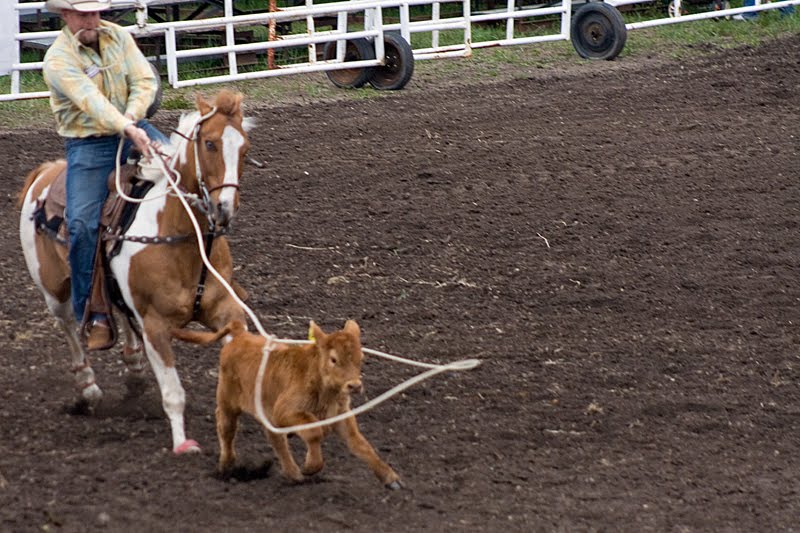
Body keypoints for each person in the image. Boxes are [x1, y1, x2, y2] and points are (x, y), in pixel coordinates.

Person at [43, 0, 168, 350]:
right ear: (65, 16)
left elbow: (143, 80)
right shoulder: (58, 59)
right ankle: (92, 313)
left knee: (185, 176)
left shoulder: (118, 36)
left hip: (133, 125)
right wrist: (127, 126)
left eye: (95, 13)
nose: (91, 20)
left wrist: (131, 118)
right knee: (82, 224)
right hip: (88, 145)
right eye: (83, 14)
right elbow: (89, 101)